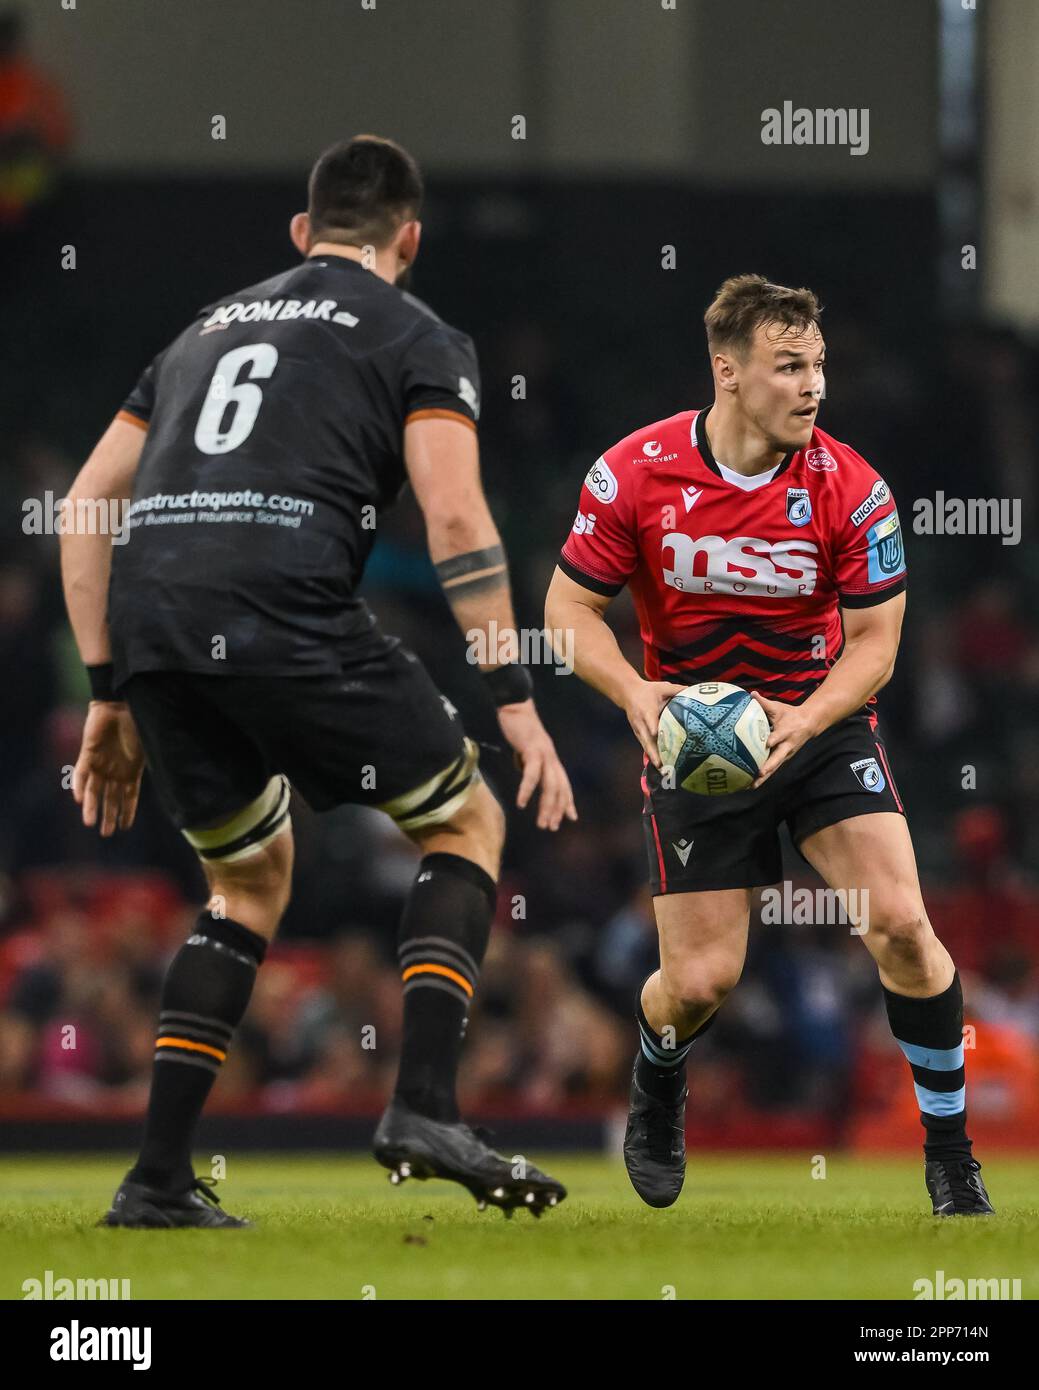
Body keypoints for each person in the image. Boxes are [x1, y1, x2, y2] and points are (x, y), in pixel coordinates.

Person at [60, 134, 574, 1227]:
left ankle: (155, 1179)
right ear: (410, 241)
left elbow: (83, 506)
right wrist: (515, 700)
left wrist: (108, 690)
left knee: (245, 884)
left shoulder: (201, 330)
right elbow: (451, 515)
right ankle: (425, 1105)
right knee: (467, 818)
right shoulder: (419, 333)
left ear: (302, 233)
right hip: (279, 602)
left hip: (154, 618)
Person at [545, 273, 992, 1217]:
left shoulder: (852, 489)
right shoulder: (633, 472)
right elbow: (566, 611)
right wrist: (632, 692)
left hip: (818, 729)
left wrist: (808, 718)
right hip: (697, 745)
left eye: (818, 366)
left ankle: (950, 1153)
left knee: (903, 925)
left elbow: (875, 645)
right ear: (729, 372)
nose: (811, 385)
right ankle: (660, 1069)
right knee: (700, 983)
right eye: (788, 366)